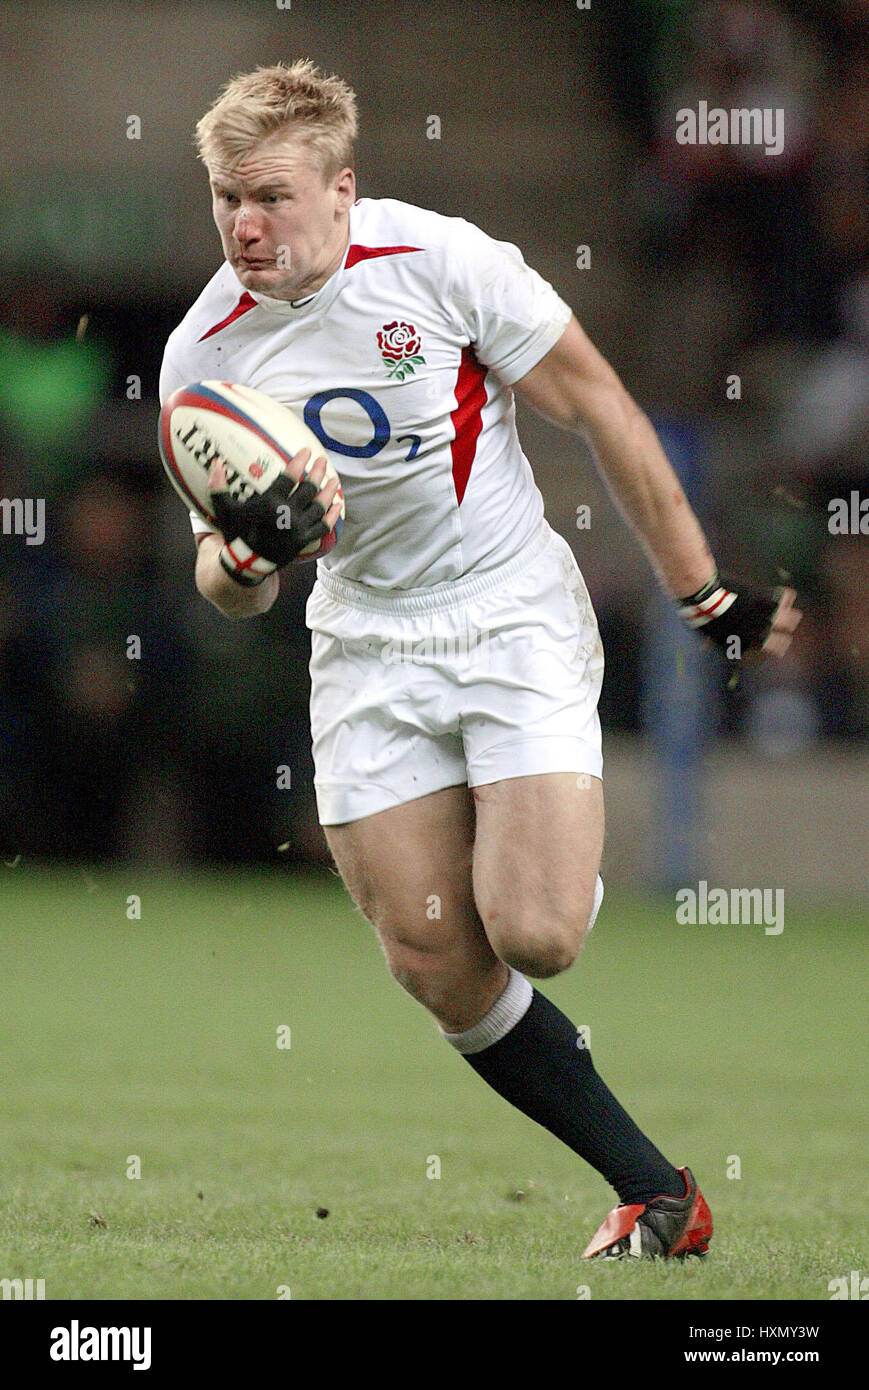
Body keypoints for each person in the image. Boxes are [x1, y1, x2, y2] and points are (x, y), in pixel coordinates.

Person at [159, 60, 801, 1260]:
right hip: (363, 644)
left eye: (270, 196)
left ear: (341, 191)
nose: (244, 224)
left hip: (503, 611)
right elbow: (217, 574)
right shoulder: (204, 354)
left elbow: (601, 404)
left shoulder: (442, 263)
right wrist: (246, 566)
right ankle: (659, 1192)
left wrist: (698, 590)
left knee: (537, 933)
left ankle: (542, 843)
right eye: (222, 199)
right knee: (430, 957)